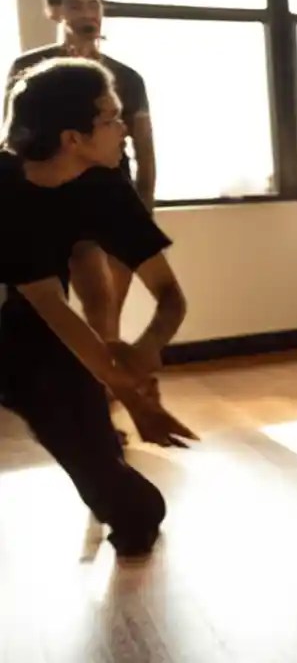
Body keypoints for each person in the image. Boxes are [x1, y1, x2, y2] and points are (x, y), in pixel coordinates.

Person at [0, 58, 197, 559]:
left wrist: (145, 351)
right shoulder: (6, 190)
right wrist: (135, 400)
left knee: (139, 513)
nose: (123, 127)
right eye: (110, 118)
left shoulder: (104, 185)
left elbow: (170, 297)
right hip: (19, 327)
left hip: (27, 322)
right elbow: (56, 312)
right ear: (73, 138)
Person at [4, 0, 157, 347]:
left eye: (94, 5)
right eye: (75, 5)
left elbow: (146, 151)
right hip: (47, 199)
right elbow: (12, 138)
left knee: (105, 307)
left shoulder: (128, 77)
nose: (87, 13)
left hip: (107, 199)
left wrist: (143, 212)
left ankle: (103, 392)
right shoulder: (30, 68)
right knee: (42, 307)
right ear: (55, 12)